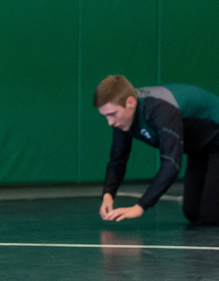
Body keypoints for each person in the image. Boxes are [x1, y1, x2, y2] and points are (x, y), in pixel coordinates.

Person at [94, 75, 219, 225]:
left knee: (210, 215)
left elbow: (171, 164)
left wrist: (140, 206)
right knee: (192, 212)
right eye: (106, 116)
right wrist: (108, 194)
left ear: (131, 102)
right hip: (199, 147)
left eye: (112, 114)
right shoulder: (122, 117)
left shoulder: (161, 110)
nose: (110, 122)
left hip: (216, 140)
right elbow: (118, 158)